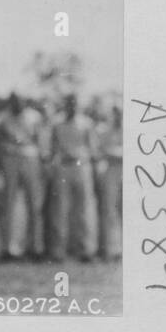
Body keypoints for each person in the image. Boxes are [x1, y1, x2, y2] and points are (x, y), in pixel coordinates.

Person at [45, 94, 99, 262]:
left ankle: (86, 249)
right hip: (63, 167)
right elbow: (52, 149)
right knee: (60, 209)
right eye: (69, 103)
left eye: (74, 103)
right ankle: (58, 250)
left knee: (84, 209)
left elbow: (92, 148)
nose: (72, 107)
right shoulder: (57, 123)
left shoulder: (86, 123)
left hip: (81, 166)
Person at [0, 94, 47, 261]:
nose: (18, 104)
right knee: (9, 203)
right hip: (10, 157)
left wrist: (43, 161)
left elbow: (41, 140)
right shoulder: (3, 118)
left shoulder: (34, 117)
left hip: (30, 156)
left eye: (20, 101)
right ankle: (8, 248)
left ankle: (36, 247)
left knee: (34, 203)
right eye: (14, 101)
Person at [92, 104, 123, 262]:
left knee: (125, 211)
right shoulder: (104, 131)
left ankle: (123, 249)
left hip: (126, 171)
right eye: (115, 113)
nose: (118, 116)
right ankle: (107, 249)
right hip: (111, 170)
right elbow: (99, 151)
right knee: (108, 210)